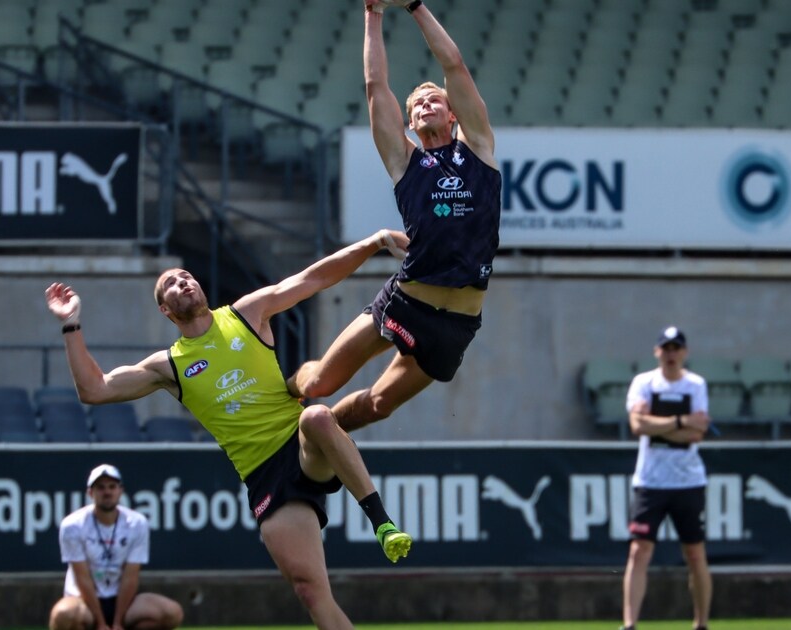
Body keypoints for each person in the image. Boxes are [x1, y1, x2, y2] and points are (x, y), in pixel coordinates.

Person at [44, 229, 414, 630]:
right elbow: (93, 390)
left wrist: (373, 242)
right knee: (309, 591)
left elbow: (312, 279)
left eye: (185, 276)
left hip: (301, 446)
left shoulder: (246, 313)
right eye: (169, 283)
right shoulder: (167, 366)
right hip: (263, 476)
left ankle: (382, 523)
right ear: (166, 311)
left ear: (199, 286)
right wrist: (71, 325)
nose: (181, 282)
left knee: (317, 416)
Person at [286, 0, 502, 433]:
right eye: (416, 104)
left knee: (379, 404)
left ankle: (312, 439)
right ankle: (282, 393)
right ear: (408, 122)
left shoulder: (477, 148)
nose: (425, 104)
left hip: (457, 323)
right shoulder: (405, 163)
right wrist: (373, 11)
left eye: (434, 99)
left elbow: (455, 65)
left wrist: (415, 6)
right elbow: (375, 85)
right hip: (407, 301)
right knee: (321, 380)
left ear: (454, 113)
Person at [621, 326, 713, 630]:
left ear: (684, 352)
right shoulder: (643, 383)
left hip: (688, 481)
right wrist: (679, 421)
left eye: (677, 348)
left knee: (695, 553)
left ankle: (701, 623)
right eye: (666, 348)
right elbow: (638, 426)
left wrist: (657, 423)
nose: (671, 353)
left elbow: (697, 433)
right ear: (657, 351)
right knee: (639, 549)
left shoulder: (695, 385)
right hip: (650, 480)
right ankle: (630, 623)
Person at [52, 463, 183, 630]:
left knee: (171, 613)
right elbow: (82, 577)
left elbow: (131, 575)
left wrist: (117, 623)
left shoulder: (136, 523)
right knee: (63, 615)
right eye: (100, 487)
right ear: (90, 493)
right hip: (83, 599)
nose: (107, 492)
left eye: (112, 487)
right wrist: (100, 623)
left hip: (121, 601)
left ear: (120, 490)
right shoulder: (72, 525)